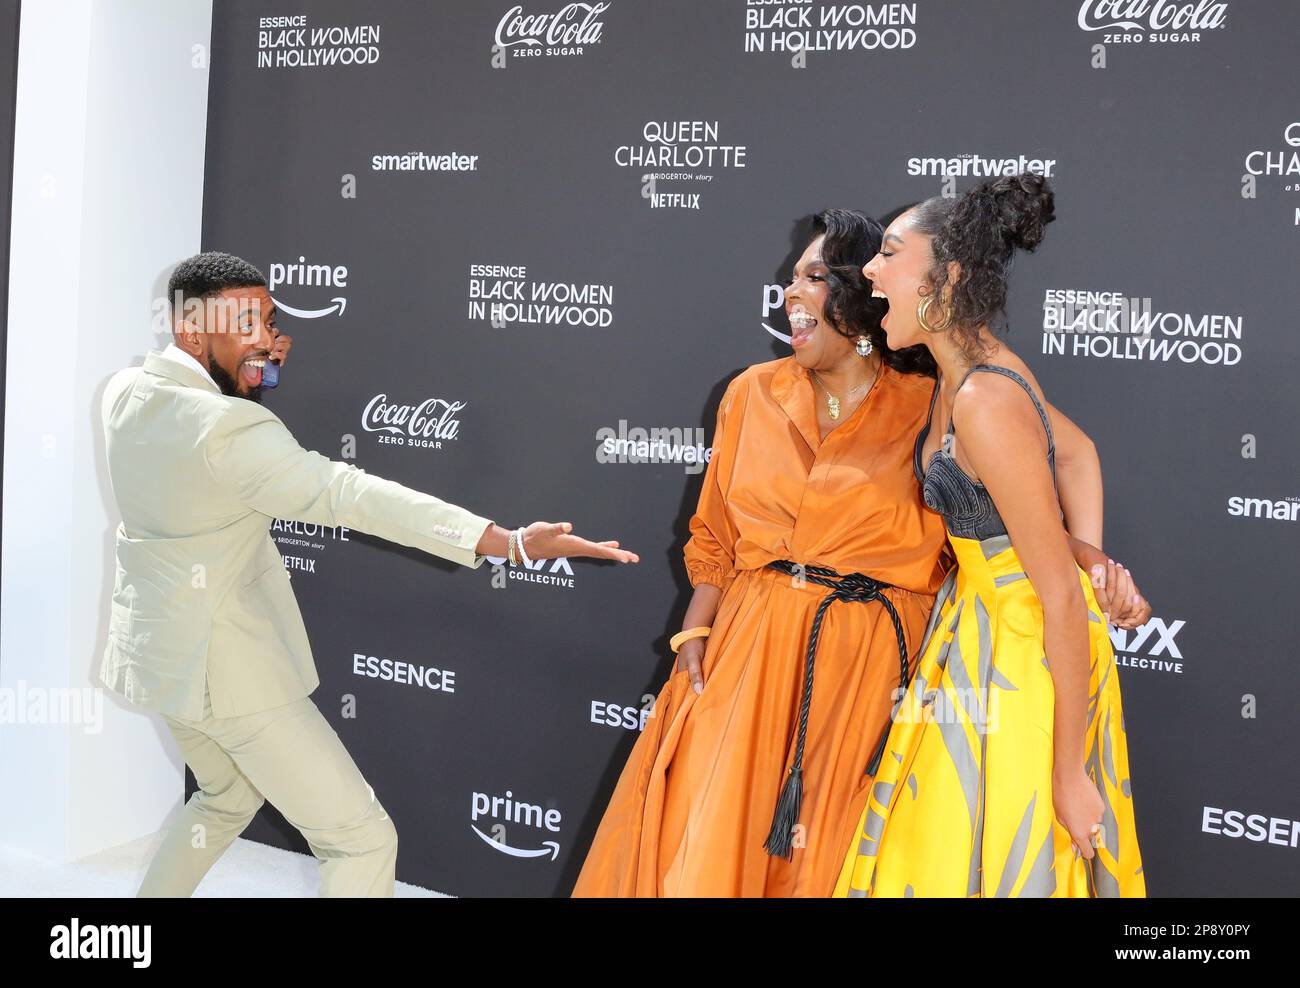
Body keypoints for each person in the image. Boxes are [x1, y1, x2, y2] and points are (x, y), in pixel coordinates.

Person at [573, 211, 1144, 897]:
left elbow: (1018, 514)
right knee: (707, 860)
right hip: (747, 659)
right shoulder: (750, 394)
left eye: (814, 277)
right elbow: (715, 534)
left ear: (857, 297)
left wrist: (1089, 559)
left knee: (841, 865)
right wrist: (698, 625)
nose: (790, 294)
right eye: (791, 279)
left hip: (877, 671)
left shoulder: (939, 399)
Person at [102, 251, 637, 897]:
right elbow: (348, 495)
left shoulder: (125, 393)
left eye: (271, 323)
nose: (270, 340)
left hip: (162, 662)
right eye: (249, 323)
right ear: (192, 330)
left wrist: (248, 365)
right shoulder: (230, 428)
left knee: (221, 800)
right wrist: (507, 542)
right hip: (230, 676)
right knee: (359, 839)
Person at [835, 174, 1146, 898]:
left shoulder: (982, 396)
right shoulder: (966, 375)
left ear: (944, 276)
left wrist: (1068, 775)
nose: (872, 272)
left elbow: (1061, 603)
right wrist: (1092, 553)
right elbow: (1074, 454)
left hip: (1026, 659)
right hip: (977, 633)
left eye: (888, 253)